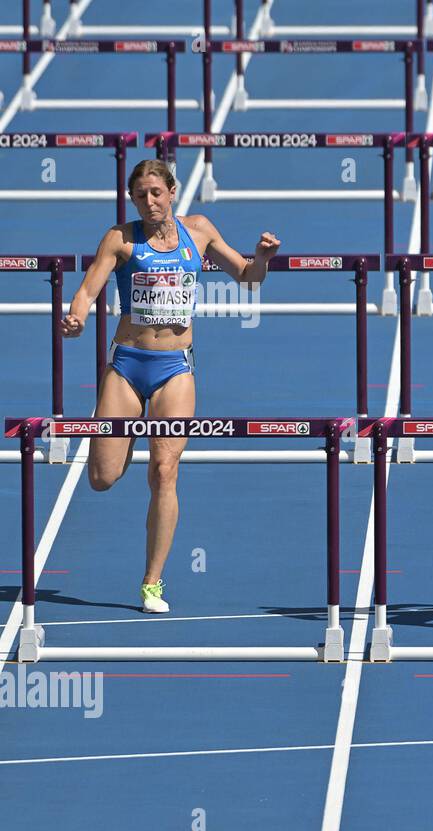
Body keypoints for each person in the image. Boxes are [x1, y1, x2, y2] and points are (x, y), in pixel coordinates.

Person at [61, 159, 281, 612]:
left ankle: (152, 582)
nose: (149, 202)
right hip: (126, 365)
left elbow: (246, 277)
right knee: (102, 478)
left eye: (156, 193)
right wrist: (77, 316)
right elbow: (87, 290)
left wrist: (261, 258)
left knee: (164, 471)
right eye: (140, 195)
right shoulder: (120, 238)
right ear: (132, 198)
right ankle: (123, 438)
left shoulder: (198, 231)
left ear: (173, 191)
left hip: (174, 369)